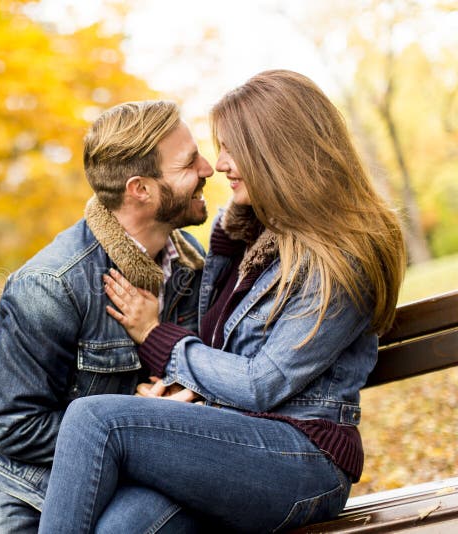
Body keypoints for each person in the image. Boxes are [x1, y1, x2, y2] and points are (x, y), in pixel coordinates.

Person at [38, 70, 406, 533]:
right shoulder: (242, 239)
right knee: (120, 528)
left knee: (94, 420)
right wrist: (174, 395)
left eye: (233, 148)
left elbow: (261, 383)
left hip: (302, 461)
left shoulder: (342, 256)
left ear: (276, 152)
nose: (221, 164)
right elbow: (221, 349)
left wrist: (157, 338)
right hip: (232, 449)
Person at [0, 100, 215, 532]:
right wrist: (130, 421)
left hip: (139, 483)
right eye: (189, 162)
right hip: (27, 491)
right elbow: (12, 428)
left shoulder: (194, 270)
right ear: (140, 189)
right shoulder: (50, 285)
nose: (208, 168)